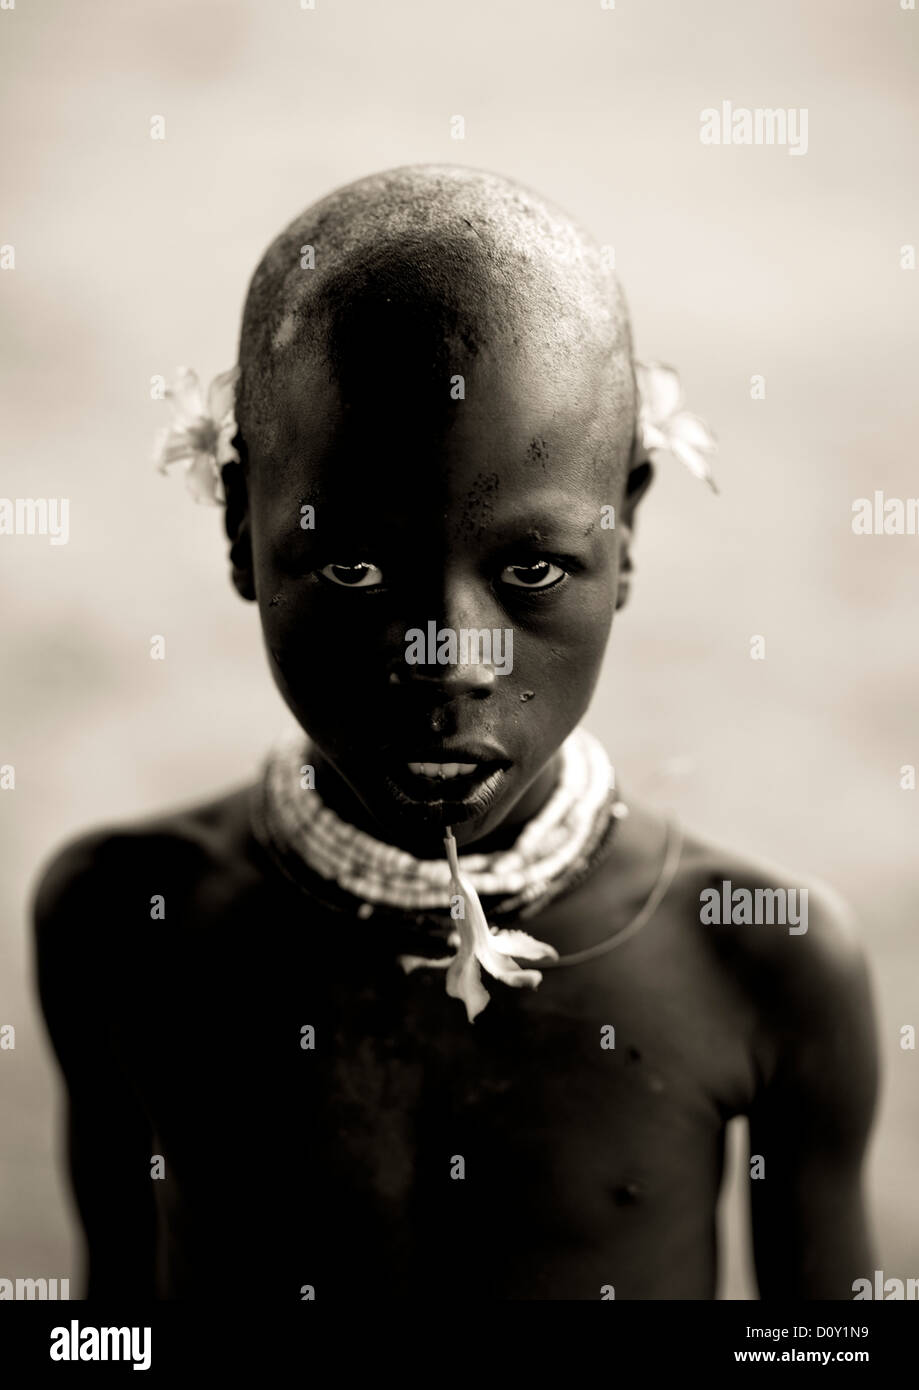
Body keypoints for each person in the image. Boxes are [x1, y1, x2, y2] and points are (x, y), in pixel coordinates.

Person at [33, 164, 879, 1301]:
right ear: (241, 529)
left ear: (624, 534)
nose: (449, 659)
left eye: (530, 568)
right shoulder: (124, 922)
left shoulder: (763, 965)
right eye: (356, 567)